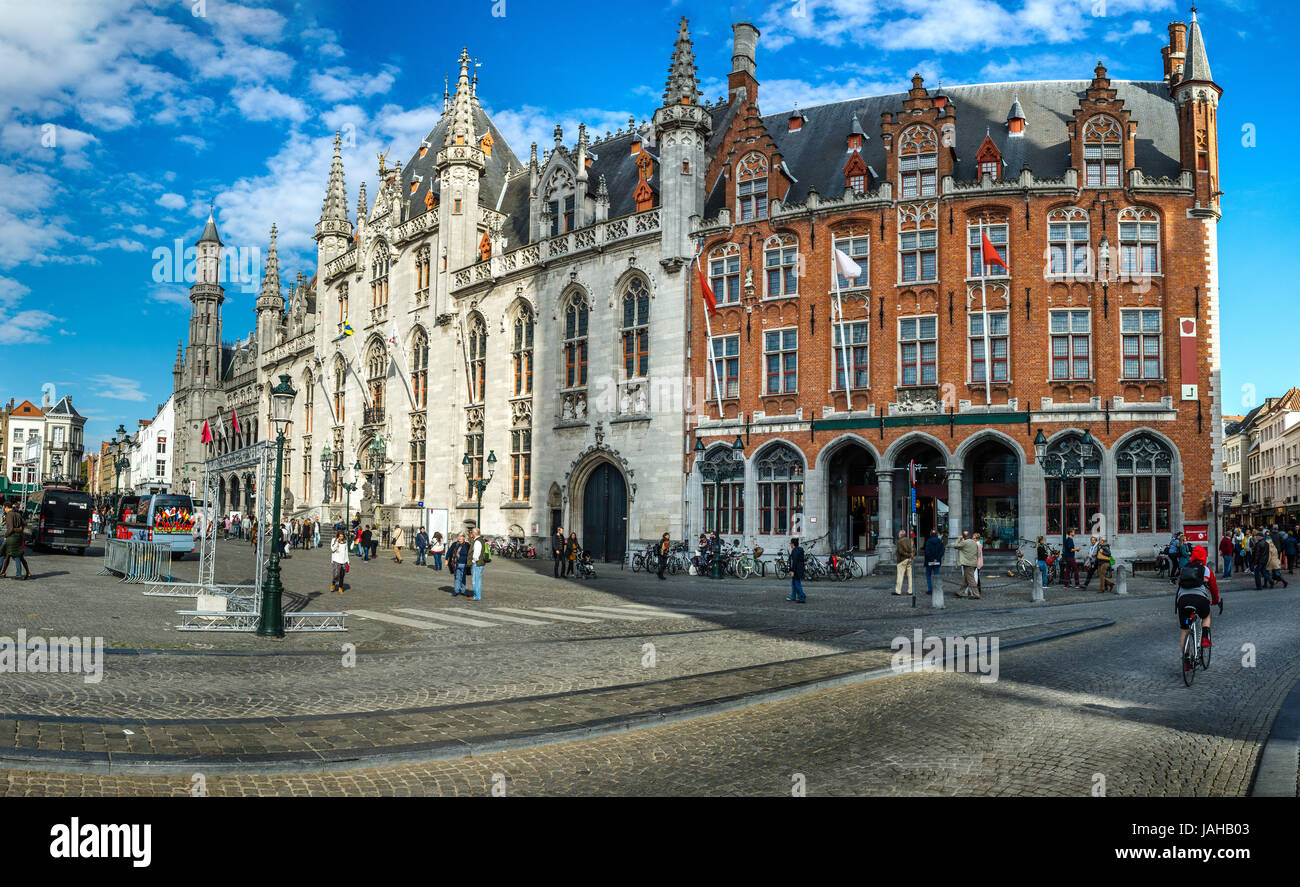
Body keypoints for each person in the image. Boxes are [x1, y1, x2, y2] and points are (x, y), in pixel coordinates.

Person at [1175, 545, 1221, 672]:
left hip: (1183, 602)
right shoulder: (1207, 570)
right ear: (1204, 557)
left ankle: (1186, 659)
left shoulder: (1184, 569)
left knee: (1185, 629)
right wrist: (1215, 601)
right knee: (1206, 616)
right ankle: (1205, 637)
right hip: (1200, 601)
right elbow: (1213, 588)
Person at [0, 501, 31, 580]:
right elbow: (24, 523)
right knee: (14, 555)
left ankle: (18, 575)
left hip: (11, 537)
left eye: (4, 508)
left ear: (6, 507)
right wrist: (19, 529)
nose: (4, 509)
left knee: (7, 554)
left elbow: (10, 528)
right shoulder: (17, 514)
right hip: (18, 537)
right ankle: (16, 574)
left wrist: (6, 536)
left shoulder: (9, 515)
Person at [953, 531, 980, 599]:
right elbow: (978, 554)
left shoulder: (965, 542)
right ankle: (960, 592)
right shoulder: (974, 543)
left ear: (963, 537)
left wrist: (958, 539)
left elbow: (955, 546)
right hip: (973, 563)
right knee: (966, 579)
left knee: (971, 579)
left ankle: (976, 594)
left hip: (968, 564)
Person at [893, 530, 914, 596]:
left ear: (901, 535)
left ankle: (898, 591)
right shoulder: (910, 540)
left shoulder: (900, 541)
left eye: (899, 534)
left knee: (900, 576)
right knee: (910, 576)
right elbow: (914, 550)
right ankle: (910, 591)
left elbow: (901, 552)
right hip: (909, 560)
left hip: (902, 560)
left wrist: (908, 556)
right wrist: (911, 557)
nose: (898, 535)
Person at [785, 537, 806, 603]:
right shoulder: (798, 549)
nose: (790, 545)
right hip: (799, 569)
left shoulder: (795, 551)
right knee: (794, 583)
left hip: (796, 570)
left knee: (797, 584)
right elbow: (792, 558)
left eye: (790, 543)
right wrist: (789, 559)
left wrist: (793, 571)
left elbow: (795, 562)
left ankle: (802, 597)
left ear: (793, 544)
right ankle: (793, 596)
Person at [923, 529, 944, 594]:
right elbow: (941, 552)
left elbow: (927, 552)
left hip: (929, 561)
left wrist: (932, 559)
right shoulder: (940, 541)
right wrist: (936, 559)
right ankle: (936, 589)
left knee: (928, 575)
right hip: (937, 561)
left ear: (930, 535)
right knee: (936, 575)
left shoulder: (928, 541)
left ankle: (930, 589)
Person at [469, 528, 487, 601]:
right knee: (478, 580)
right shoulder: (481, 540)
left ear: (474, 533)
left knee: (475, 580)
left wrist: (473, 561)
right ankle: (477, 595)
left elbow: (476, 553)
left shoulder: (477, 541)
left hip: (477, 563)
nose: (471, 534)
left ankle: (476, 596)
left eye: (472, 533)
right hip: (480, 563)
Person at [329, 529, 350, 594]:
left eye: (342, 536)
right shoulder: (334, 540)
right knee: (336, 574)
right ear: (338, 536)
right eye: (340, 536)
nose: (341, 537)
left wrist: (348, 560)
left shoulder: (345, 541)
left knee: (342, 575)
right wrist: (337, 542)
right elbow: (332, 549)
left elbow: (346, 551)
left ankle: (340, 588)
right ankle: (333, 583)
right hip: (336, 559)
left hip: (343, 560)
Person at [449, 532, 469, 597]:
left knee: (463, 578)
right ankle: (456, 591)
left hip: (464, 564)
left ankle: (463, 591)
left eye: (461, 536)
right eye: (458, 536)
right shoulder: (455, 544)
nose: (459, 538)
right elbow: (449, 551)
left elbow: (470, 553)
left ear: (464, 537)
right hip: (456, 564)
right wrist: (447, 559)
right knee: (457, 578)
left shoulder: (467, 545)